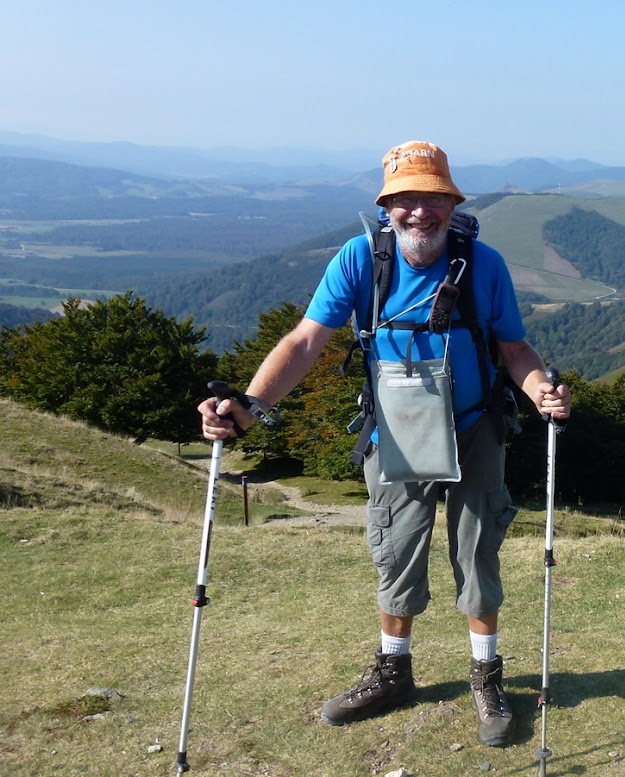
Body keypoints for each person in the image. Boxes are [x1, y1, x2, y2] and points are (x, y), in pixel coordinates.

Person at [197, 140, 571, 748]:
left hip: (475, 425)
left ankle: (486, 678)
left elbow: (513, 349)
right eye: (404, 200)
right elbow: (304, 342)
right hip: (395, 428)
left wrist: (539, 389)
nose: (419, 212)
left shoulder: (485, 265)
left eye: (432, 198)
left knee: (477, 551)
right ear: (386, 205)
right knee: (395, 549)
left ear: (451, 203)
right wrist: (252, 405)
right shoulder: (359, 259)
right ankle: (394, 673)